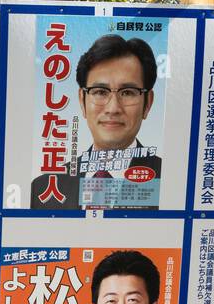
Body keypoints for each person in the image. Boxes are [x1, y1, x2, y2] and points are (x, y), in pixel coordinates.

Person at [31, 34, 163, 210]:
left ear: (148, 103)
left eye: (128, 92)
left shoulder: (171, 181)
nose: (113, 108)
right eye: (100, 92)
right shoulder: (44, 188)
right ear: (82, 100)